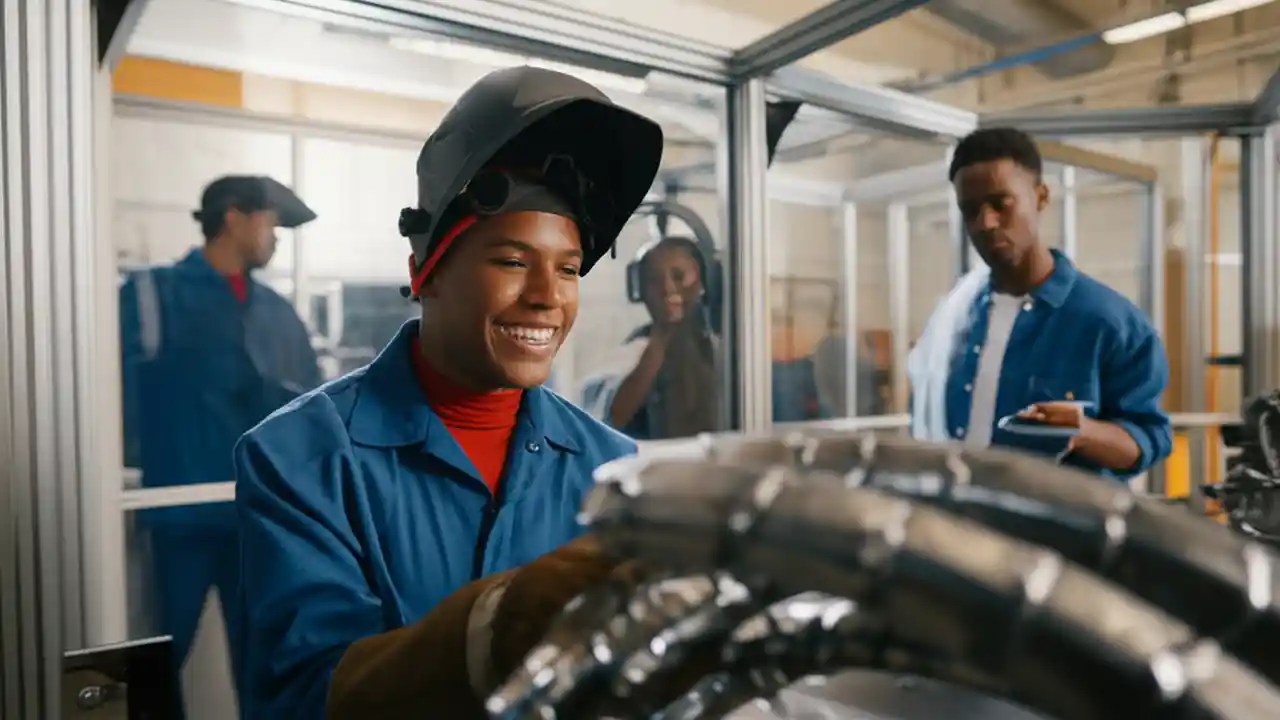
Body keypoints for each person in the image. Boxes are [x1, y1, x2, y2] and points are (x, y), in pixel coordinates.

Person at [232, 66, 664, 719]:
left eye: (569, 269)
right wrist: (494, 628)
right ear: (425, 272)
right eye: (512, 261)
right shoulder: (299, 458)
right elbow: (304, 696)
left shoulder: (614, 468)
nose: (547, 296)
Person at [118, 175, 321, 704]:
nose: (275, 239)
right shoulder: (153, 296)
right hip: (177, 516)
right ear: (233, 218)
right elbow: (112, 401)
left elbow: (311, 407)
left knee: (266, 665)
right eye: (270, 224)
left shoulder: (278, 312)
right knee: (154, 664)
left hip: (256, 522)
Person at [907, 127, 1172, 477]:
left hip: (1059, 512)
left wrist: (1082, 431)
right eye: (970, 210)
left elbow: (1149, 440)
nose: (985, 223)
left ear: (1041, 196)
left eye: (1001, 204)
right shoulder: (957, 315)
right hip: (962, 507)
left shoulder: (1110, 322)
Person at [582, 235, 721, 439]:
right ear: (641, 291)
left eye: (678, 276)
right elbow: (612, 418)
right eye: (654, 280)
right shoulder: (636, 350)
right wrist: (662, 335)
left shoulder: (723, 345)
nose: (667, 288)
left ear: (701, 281)